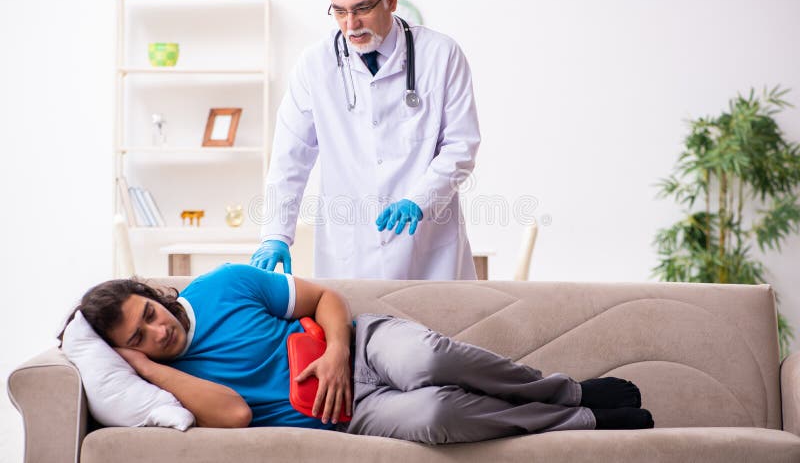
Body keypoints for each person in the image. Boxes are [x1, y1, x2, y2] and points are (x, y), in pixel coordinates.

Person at [60, 264, 654, 443]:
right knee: (432, 417)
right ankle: (581, 418)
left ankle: (567, 388)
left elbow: (325, 299)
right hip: (343, 414)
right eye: (135, 339)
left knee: (427, 363)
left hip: (361, 347)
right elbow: (237, 415)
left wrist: (339, 352)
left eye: (149, 315)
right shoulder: (163, 386)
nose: (155, 332)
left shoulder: (222, 285)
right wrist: (145, 368)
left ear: (152, 293)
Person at [250, 0, 481, 280]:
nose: (350, 24)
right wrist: (275, 233)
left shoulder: (441, 55)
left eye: (362, 9)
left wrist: (420, 200)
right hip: (350, 252)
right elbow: (290, 158)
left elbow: (462, 145)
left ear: (391, 0)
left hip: (430, 252)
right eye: (340, 12)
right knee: (354, 328)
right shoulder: (314, 65)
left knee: (437, 326)